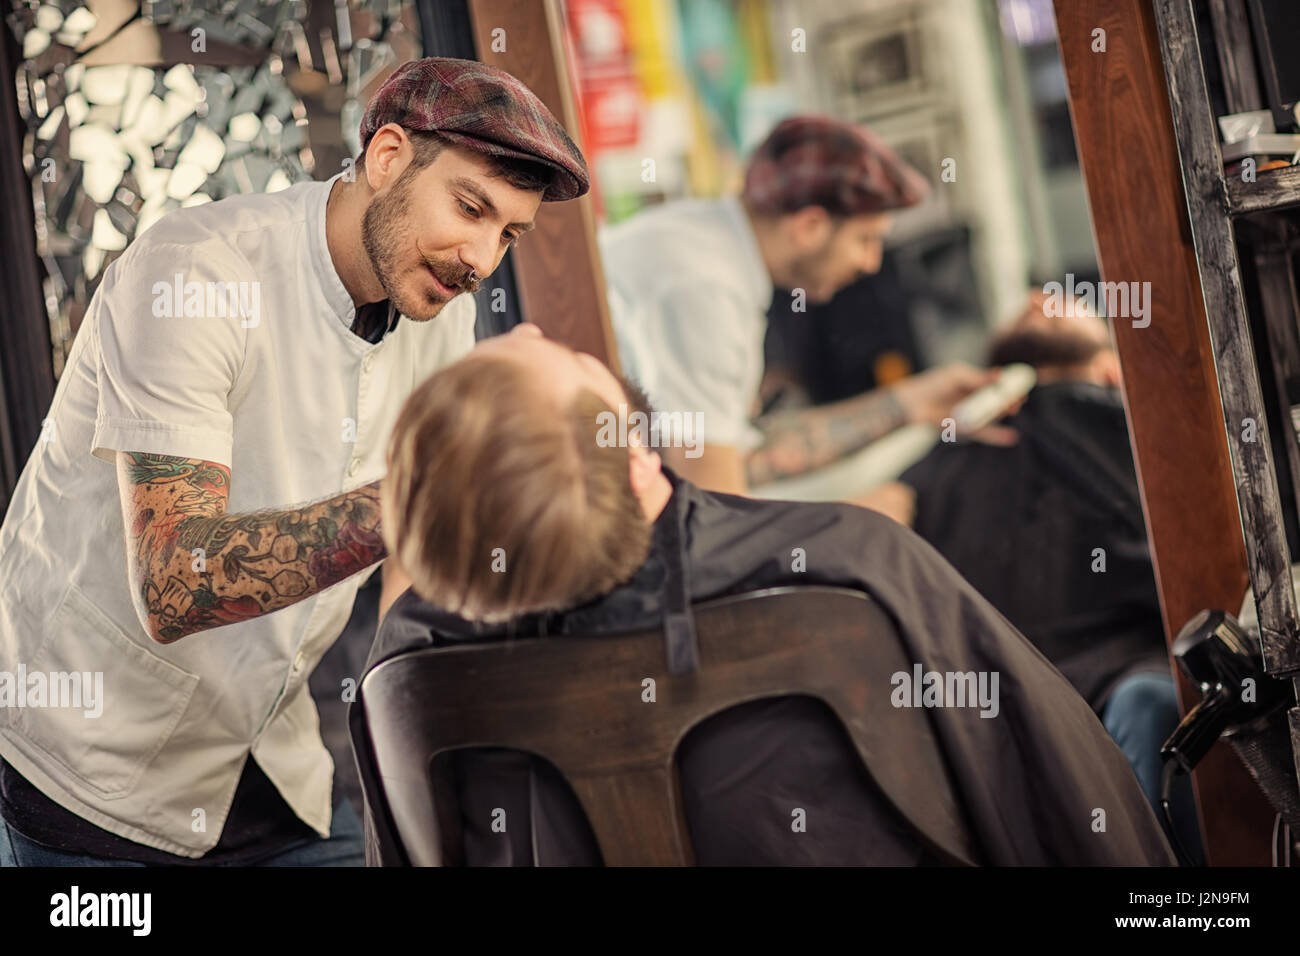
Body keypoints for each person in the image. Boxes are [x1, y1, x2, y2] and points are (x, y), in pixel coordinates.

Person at [0, 57, 589, 867]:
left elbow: (410, 569)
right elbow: (177, 579)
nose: (482, 259)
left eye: (509, 234)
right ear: (387, 157)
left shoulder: (439, 314)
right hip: (89, 775)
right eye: (469, 207)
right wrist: (426, 492)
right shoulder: (196, 273)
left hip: (276, 763)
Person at [366, 322, 1177, 866]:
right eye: (545, 358)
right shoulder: (851, 566)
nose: (526, 327)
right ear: (639, 461)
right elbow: (1074, 811)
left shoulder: (409, 669)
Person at [884, 294, 1204, 863]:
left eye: (1068, 301)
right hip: (996, 695)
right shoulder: (951, 453)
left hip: (1120, 678)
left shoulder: (1142, 435)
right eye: (1031, 299)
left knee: (1148, 705)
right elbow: (856, 526)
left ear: (1111, 367)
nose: (1038, 297)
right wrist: (906, 411)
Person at [598, 115, 996, 500]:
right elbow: (715, 507)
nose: (871, 263)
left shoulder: (710, 247)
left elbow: (741, 455)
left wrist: (910, 403)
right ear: (809, 227)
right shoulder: (709, 290)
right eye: (865, 240)